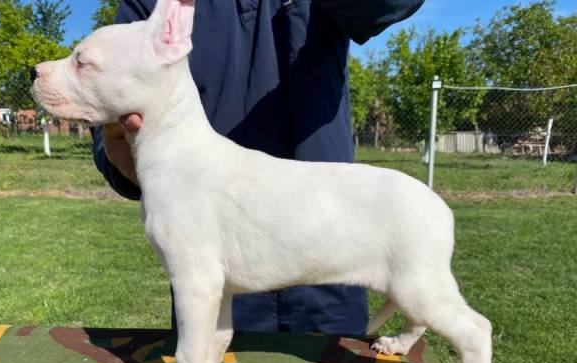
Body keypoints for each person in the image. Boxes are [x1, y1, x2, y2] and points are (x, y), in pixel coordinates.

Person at [92, 0, 424, 335]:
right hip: (217, 262)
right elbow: (110, 115)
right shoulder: (158, 5)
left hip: (329, 249)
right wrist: (118, 139)